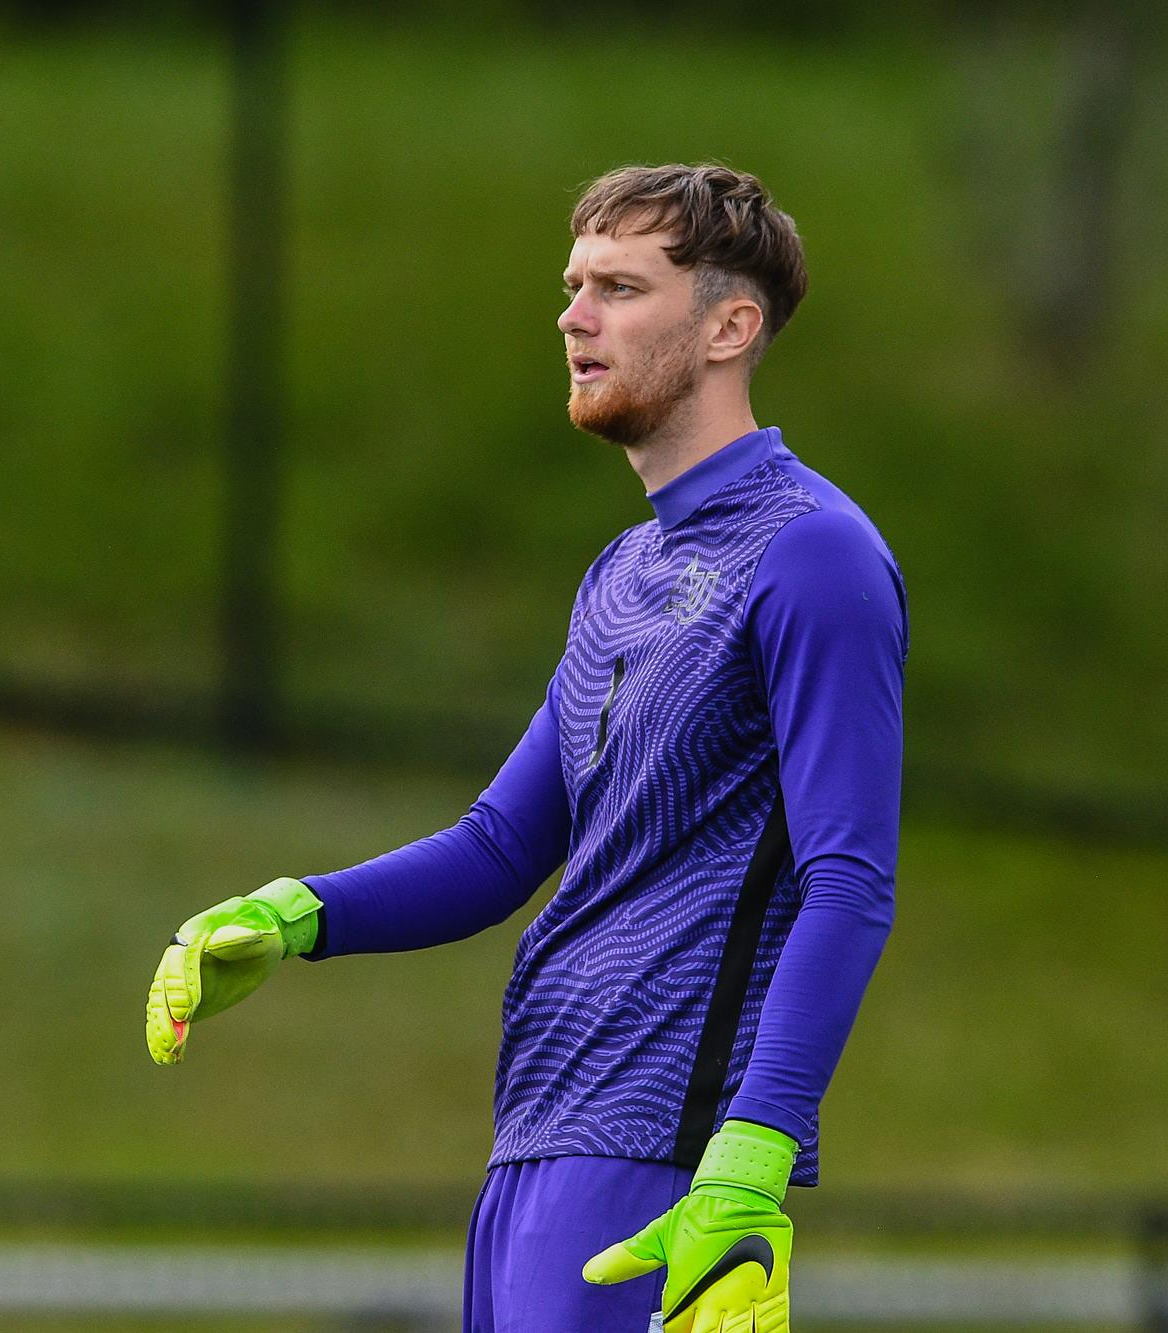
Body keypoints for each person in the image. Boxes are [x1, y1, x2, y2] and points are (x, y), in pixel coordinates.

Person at [145, 162, 907, 1333]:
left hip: (660, 1162)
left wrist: (749, 1159)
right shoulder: (621, 572)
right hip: (530, 1148)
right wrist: (295, 913)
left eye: (617, 286)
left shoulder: (814, 554)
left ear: (729, 325)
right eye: (571, 284)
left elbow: (846, 879)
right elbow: (500, 846)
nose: (571, 315)